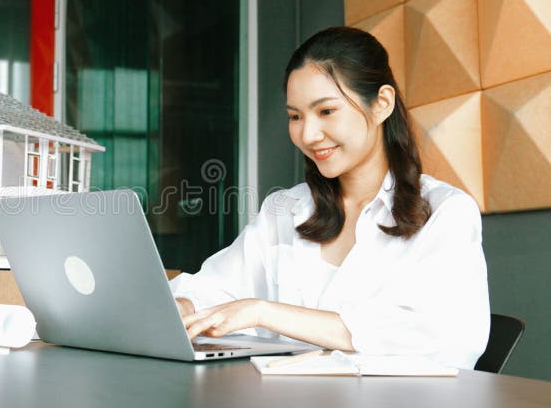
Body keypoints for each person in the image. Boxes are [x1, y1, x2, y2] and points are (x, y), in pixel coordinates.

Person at [170, 26, 490, 369]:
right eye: (295, 116)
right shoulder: (285, 210)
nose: (307, 134)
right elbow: (218, 288)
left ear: (382, 103)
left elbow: (444, 338)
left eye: (326, 112)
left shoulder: (446, 211)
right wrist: (186, 306)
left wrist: (265, 312)